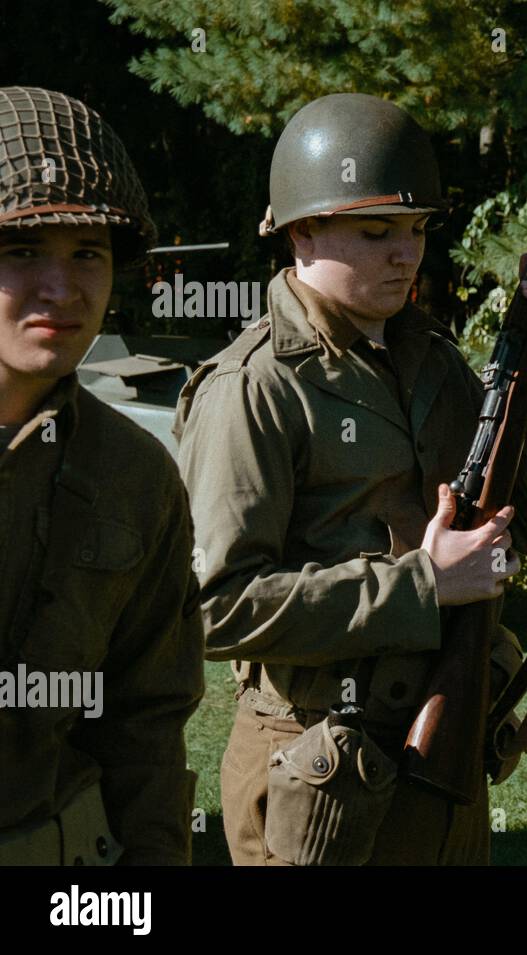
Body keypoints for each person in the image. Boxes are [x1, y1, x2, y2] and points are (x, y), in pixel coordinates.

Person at [174, 93, 527, 865]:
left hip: (445, 745)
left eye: (417, 230)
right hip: (316, 773)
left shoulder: (435, 361)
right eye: (376, 232)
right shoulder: (254, 386)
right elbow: (214, 606)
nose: (407, 254)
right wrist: (423, 584)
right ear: (302, 232)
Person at [0, 86, 205, 865]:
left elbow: (144, 721)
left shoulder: (134, 474)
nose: (63, 288)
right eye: (23, 251)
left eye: (88, 253)